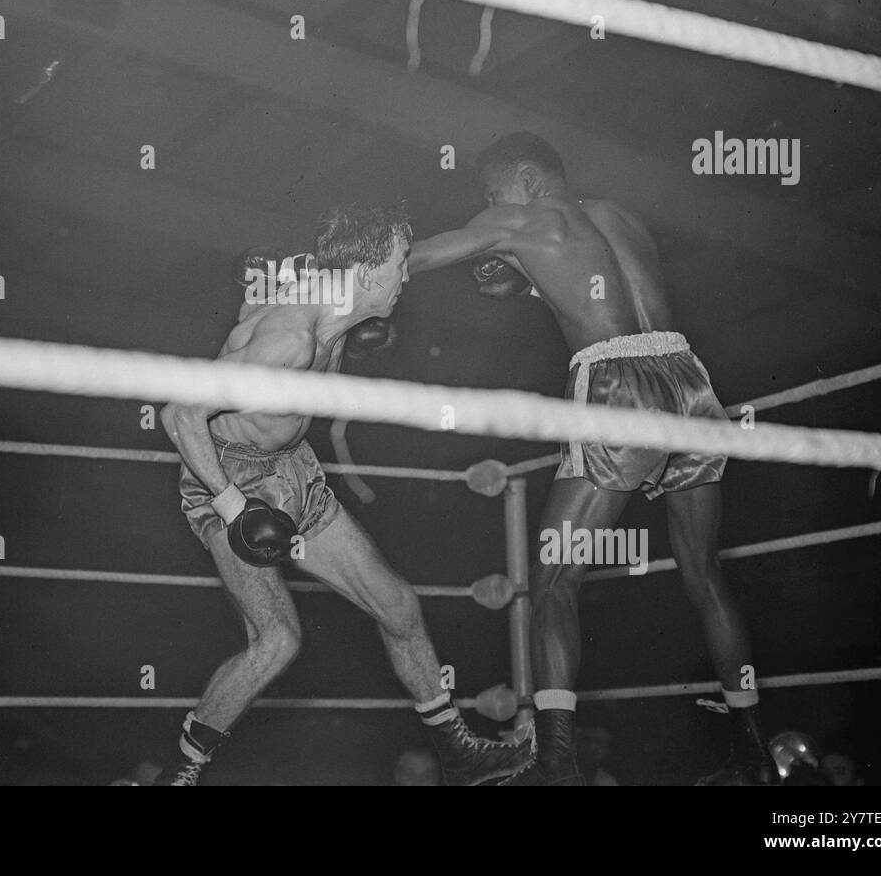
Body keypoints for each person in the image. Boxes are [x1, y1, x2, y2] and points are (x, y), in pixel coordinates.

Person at [408, 132, 774, 786]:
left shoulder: (516, 217)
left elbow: (417, 258)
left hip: (618, 387)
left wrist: (333, 267)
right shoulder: (619, 217)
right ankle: (753, 753)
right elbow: (592, 281)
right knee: (705, 573)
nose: (489, 204)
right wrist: (519, 282)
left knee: (553, 582)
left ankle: (556, 763)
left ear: (523, 178)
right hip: (689, 380)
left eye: (493, 192)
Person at [155, 202, 532, 786]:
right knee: (277, 640)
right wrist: (233, 505)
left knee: (399, 604)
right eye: (401, 263)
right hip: (225, 477)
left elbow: (276, 283)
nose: (407, 276)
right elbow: (181, 415)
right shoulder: (291, 339)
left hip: (293, 470)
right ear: (365, 273)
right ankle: (181, 772)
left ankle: (459, 755)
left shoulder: (330, 310)